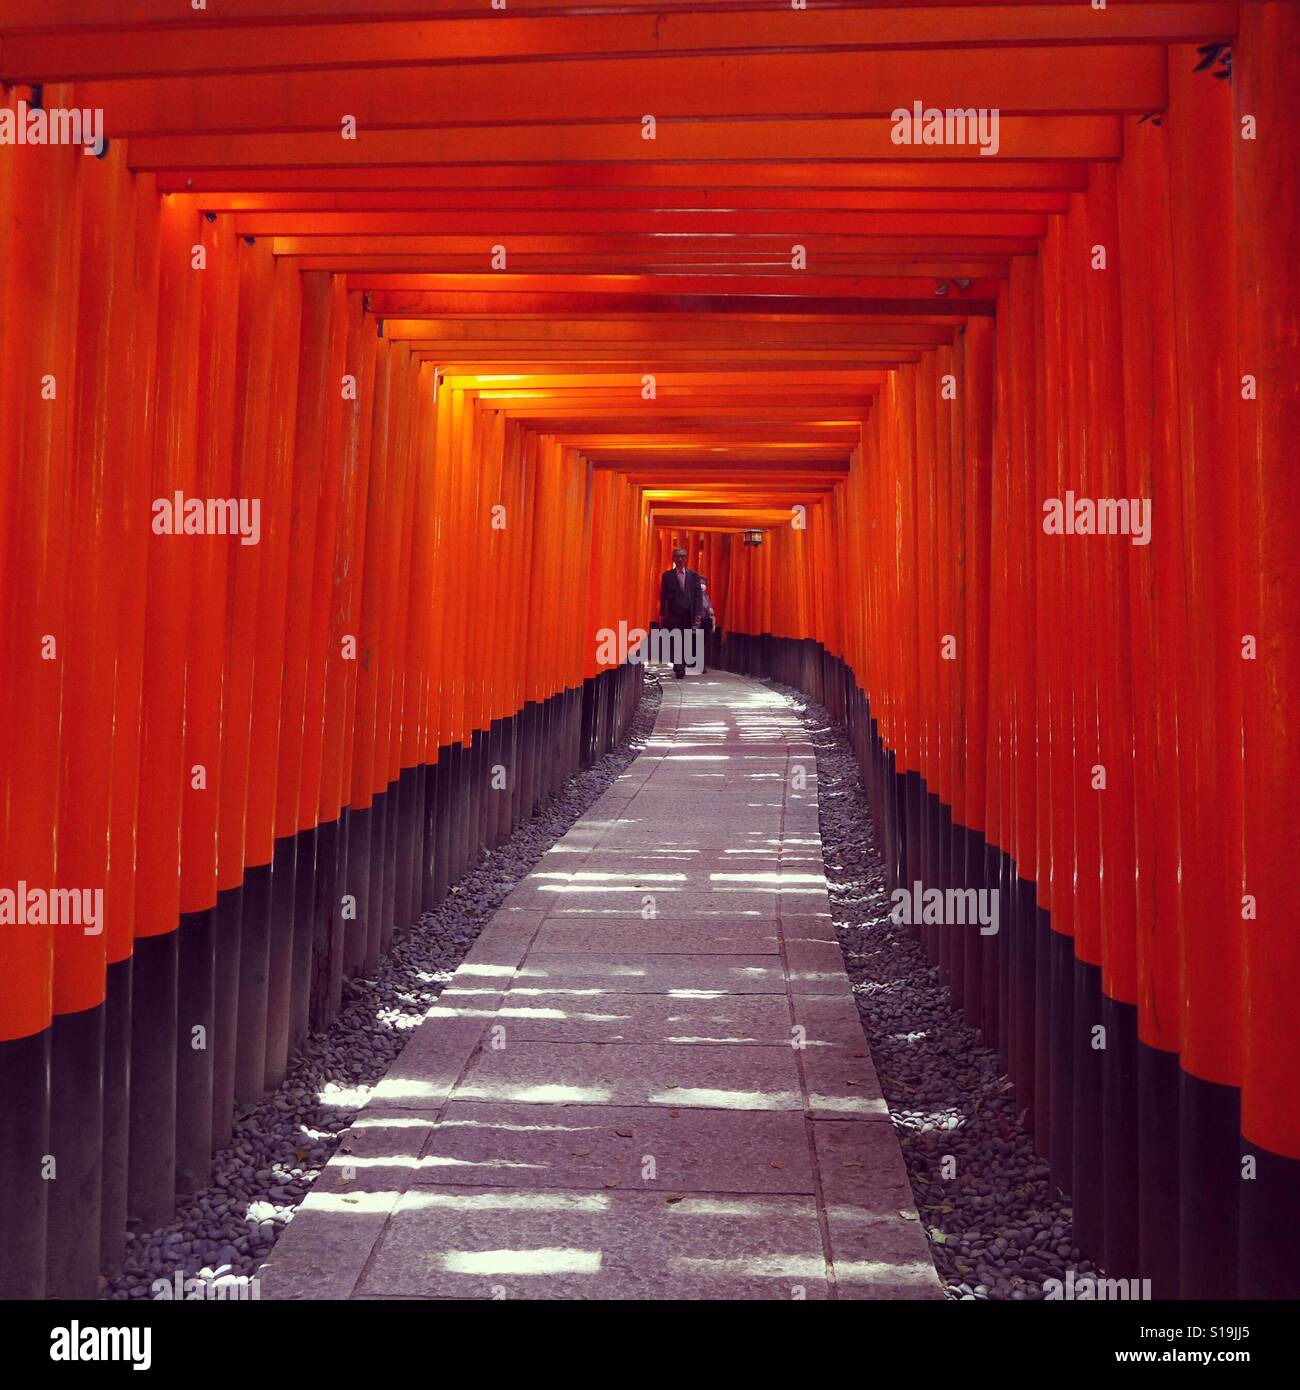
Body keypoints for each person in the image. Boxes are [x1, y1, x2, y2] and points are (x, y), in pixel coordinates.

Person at [658, 546, 705, 678]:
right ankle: (679, 667)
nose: (680, 559)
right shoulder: (667, 576)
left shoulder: (694, 576)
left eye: (683, 556)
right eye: (677, 556)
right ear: (673, 558)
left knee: (686, 640)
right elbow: (663, 596)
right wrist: (662, 614)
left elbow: (698, 595)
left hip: (688, 614)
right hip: (673, 614)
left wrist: (698, 613)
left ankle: (681, 663)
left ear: (686, 559)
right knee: (675, 640)